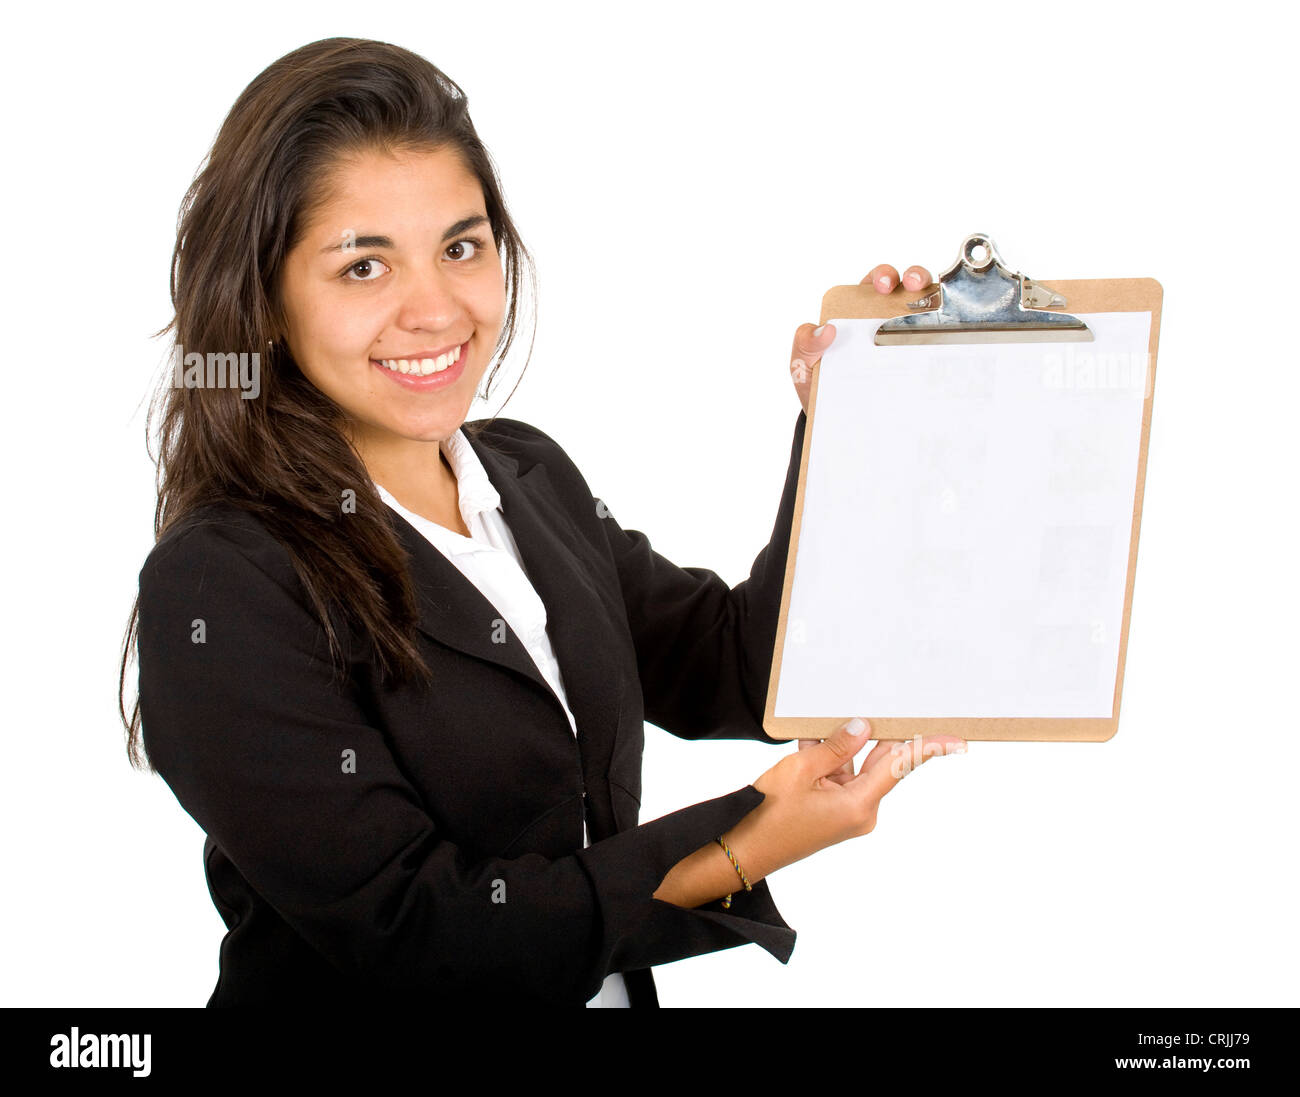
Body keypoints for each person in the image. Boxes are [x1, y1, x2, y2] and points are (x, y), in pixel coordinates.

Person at [119, 36, 965, 1009]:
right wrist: (737, 843)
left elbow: (742, 666)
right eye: (363, 267)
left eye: (461, 246)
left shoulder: (527, 475)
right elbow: (421, 933)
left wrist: (850, 433)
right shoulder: (223, 579)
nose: (434, 308)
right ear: (266, 296)